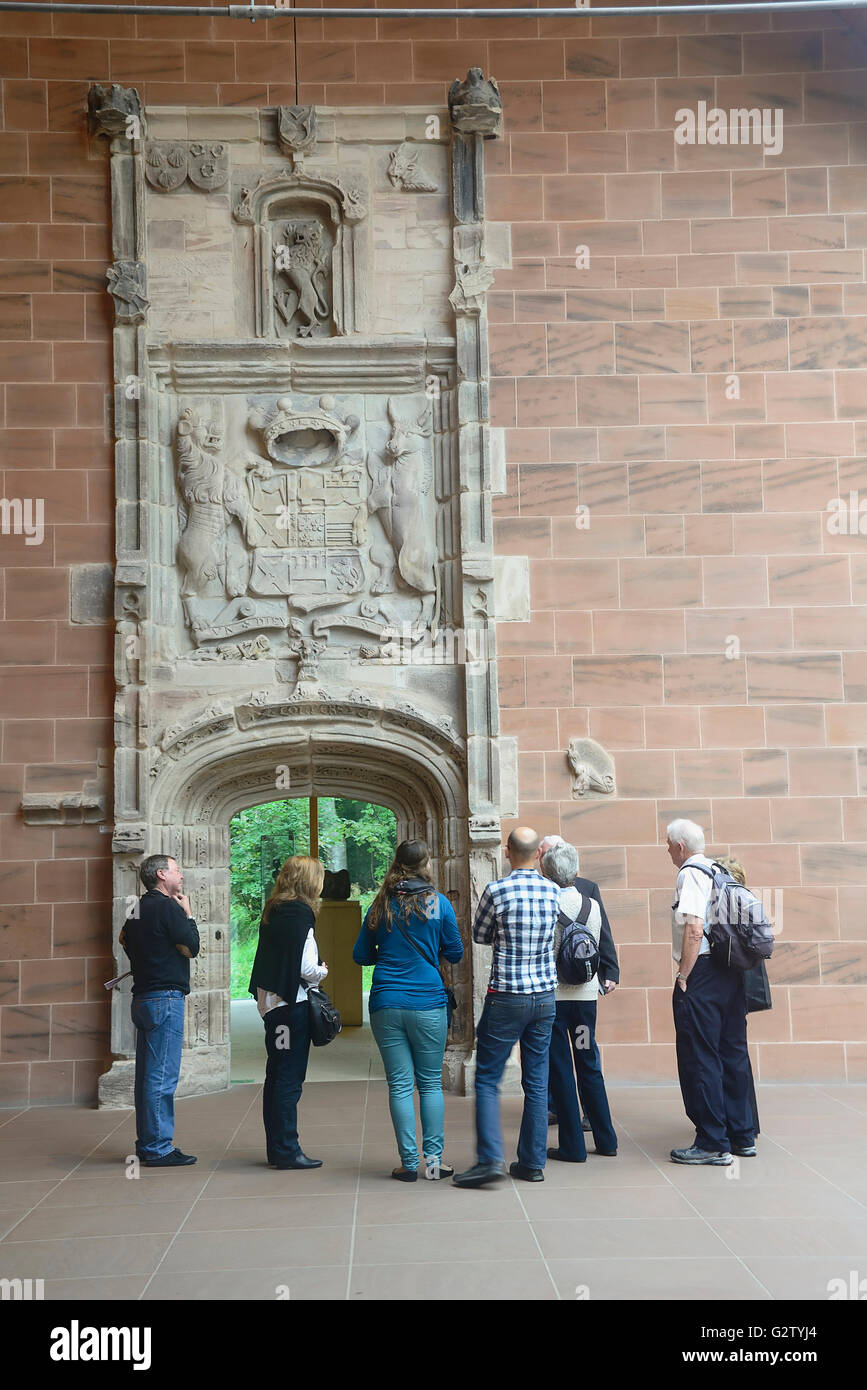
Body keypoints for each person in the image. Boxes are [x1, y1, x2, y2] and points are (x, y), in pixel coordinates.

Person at [453, 826, 560, 1188]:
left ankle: (489, 1160)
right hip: (545, 997)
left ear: (508, 853)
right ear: (539, 855)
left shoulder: (497, 890)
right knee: (537, 1081)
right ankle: (532, 1163)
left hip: (507, 996)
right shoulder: (553, 891)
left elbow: (479, 935)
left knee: (486, 1078)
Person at [353, 840, 463, 1181]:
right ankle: (433, 1162)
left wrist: (386, 955)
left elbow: (360, 955)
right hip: (429, 1001)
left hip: (386, 1001)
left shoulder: (381, 904)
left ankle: (407, 1163)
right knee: (429, 1084)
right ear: (425, 864)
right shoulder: (438, 903)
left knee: (399, 1085)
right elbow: (455, 952)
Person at [667, 819, 755, 1165]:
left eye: (668, 844)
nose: (667, 850)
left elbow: (693, 928)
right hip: (731, 971)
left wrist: (683, 976)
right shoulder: (720, 870)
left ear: (680, 847)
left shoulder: (690, 873)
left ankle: (712, 1142)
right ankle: (741, 1135)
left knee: (700, 1054)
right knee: (732, 1051)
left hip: (702, 971)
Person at [248, 855, 329, 1170]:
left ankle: (277, 1148)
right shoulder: (301, 913)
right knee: (289, 1079)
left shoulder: (274, 910)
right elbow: (306, 968)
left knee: (276, 1075)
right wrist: (322, 971)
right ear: (309, 881)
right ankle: (286, 1150)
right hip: (290, 1009)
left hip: (272, 1006)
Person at [120, 854, 200, 1168]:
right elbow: (191, 947)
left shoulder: (136, 907)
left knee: (148, 1076)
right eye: (177, 870)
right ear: (162, 874)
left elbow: (125, 939)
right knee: (162, 1077)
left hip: (142, 998)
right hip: (165, 998)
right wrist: (188, 914)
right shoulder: (169, 907)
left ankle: (149, 1142)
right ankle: (157, 1148)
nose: (181, 875)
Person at [540, 840, 618, 1161]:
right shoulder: (592, 906)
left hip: (556, 1001)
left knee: (560, 1069)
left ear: (545, 871)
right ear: (576, 871)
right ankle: (606, 1140)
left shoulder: (545, 906)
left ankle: (572, 1145)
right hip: (586, 1001)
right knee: (588, 1063)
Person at [714, 854, 762, 1147]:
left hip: (724, 982)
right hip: (741, 984)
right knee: (737, 1055)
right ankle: (746, 1126)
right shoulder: (747, 899)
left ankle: (736, 1127)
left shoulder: (725, 904)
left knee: (725, 1055)